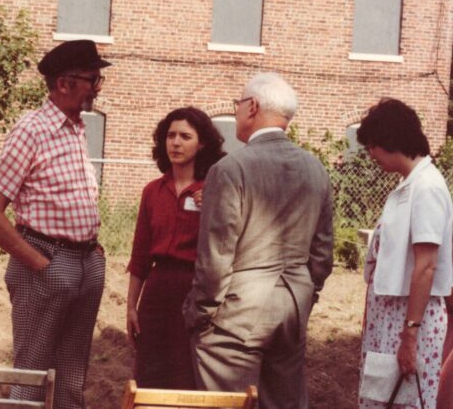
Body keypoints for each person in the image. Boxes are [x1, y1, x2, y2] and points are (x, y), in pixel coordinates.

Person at [182, 72, 334, 409]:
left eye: (238, 105)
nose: (236, 112)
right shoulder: (315, 169)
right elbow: (322, 254)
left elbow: (216, 256)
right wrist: (305, 295)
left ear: (252, 107)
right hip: (292, 310)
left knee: (229, 404)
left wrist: (202, 312)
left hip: (236, 315)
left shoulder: (231, 168)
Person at [0, 40, 111, 409]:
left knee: (71, 379)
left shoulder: (76, 128)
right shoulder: (31, 130)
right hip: (47, 262)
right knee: (31, 378)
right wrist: (39, 264)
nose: (97, 87)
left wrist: (92, 252)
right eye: (92, 79)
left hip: (85, 263)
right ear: (65, 83)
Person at [357, 98, 452, 409]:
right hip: (392, 316)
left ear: (390, 139)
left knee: (405, 400)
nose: (370, 154)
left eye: (372, 145)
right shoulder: (409, 185)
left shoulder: (427, 187)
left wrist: (409, 336)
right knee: (383, 397)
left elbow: (426, 265)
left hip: (410, 318)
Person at [126, 106, 226, 389]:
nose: (176, 143)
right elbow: (140, 255)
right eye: (170, 136)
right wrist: (132, 306)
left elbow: (226, 243)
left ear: (202, 142)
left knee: (186, 374)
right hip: (157, 292)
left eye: (185, 136)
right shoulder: (152, 191)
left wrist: (214, 210)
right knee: (150, 373)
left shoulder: (214, 191)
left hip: (194, 289)